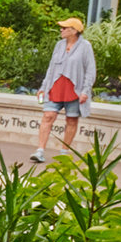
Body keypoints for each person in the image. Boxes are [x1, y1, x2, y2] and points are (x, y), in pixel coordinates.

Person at [31, 15, 96, 163]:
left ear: (74, 30)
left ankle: (64, 152)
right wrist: (43, 87)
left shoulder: (85, 46)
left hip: (74, 90)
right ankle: (40, 150)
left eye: (64, 28)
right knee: (48, 116)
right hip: (55, 87)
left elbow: (90, 70)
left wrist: (85, 91)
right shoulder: (59, 45)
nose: (61, 30)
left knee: (71, 120)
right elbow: (51, 68)